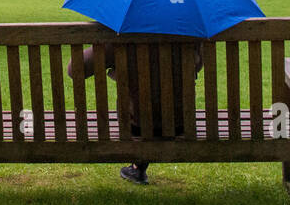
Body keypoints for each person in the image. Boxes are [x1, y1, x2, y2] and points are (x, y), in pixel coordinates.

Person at [67, 41, 204, 185]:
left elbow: (74, 69)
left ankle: (137, 167)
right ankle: (137, 167)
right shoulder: (190, 36)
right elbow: (198, 66)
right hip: (181, 125)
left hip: (135, 129)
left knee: (138, 108)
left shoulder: (120, 38)